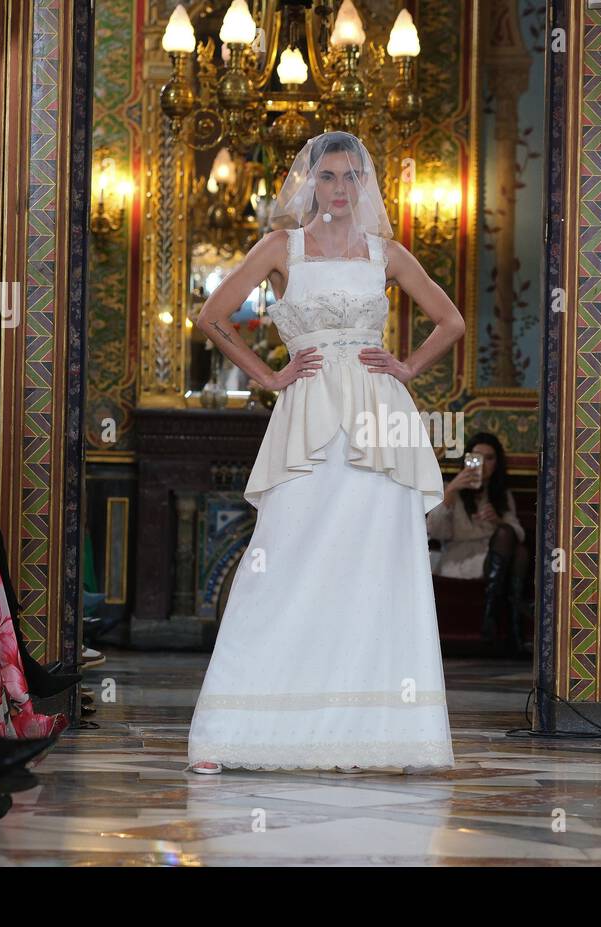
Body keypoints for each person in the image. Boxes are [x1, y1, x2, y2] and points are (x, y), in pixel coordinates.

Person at [184, 131, 465, 774]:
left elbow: (450, 322)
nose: (339, 189)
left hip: (378, 418)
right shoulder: (282, 247)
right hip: (306, 413)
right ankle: (238, 729)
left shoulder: (385, 253)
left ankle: (382, 733)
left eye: (350, 177)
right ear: (307, 181)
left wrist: (406, 366)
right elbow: (212, 316)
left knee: (378, 566)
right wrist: (269, 375)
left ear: (364, 184)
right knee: (280, 560)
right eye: (328, 176)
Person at [427, 432, 531, 656]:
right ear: (466, 460)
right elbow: (435, 532)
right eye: (477, 457)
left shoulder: (501, 495)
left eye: (490, 458)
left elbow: (518, 533)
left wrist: (498, 520)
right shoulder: (450, 489)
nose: (483, 464)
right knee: (518, 553)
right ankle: (509, 625)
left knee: (515, 545)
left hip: (493, 557)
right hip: (460, 558)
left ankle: (492, 616)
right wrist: (451, 490)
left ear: (497, 463)